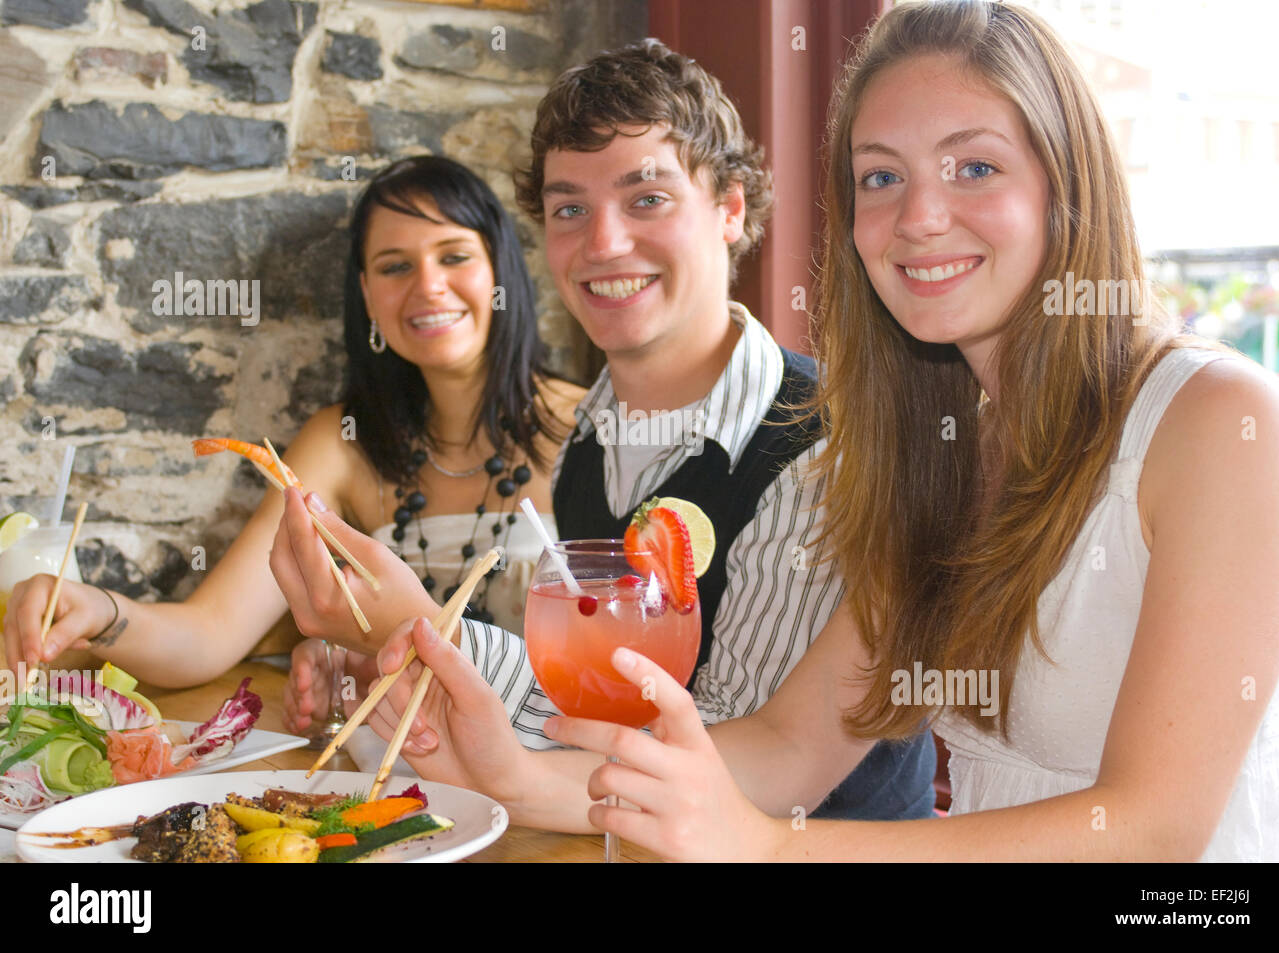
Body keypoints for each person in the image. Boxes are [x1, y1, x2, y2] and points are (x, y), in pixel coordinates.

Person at [342, 0, 1279, 860]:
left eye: (974, 165)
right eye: (880, 177)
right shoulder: (937, 455)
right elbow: (788, 743)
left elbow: (1155, 827)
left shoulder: (1222, 422)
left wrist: (764, 846)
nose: (919, 217)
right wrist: (506, 772)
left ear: (1067, 181)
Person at [275, 39, 936, 820]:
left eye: (646, 198)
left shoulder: (826, 443)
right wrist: (396, 658)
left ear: (729, 208)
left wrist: (424, 631)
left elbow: (731, 755)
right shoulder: (589, 431)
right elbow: (595, 701)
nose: (603, 243)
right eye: (569, 209)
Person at [3, 155, 581, 688]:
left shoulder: (590, 425)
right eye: (395, 266)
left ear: (500, 271)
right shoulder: (342, 441)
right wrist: (103, 611)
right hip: (408, 771)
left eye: (454, 256)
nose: (427, 285)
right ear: (367, 295)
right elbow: (208, 634)